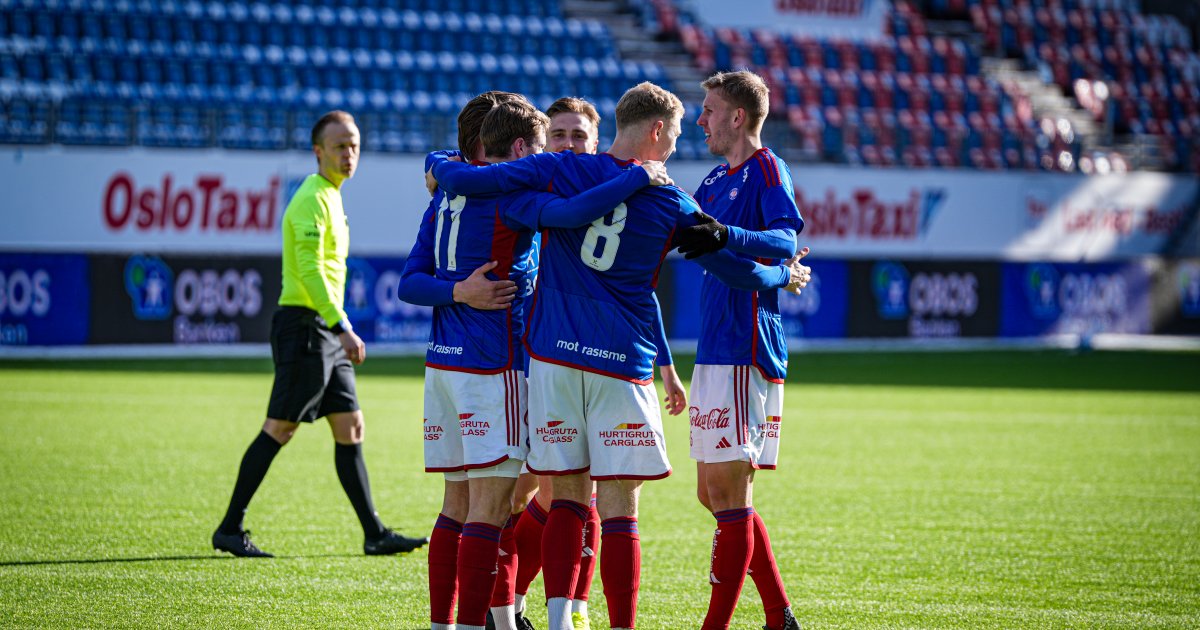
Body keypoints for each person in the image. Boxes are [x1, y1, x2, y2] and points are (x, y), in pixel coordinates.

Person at [427, 82, 809, 630]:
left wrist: (438, 163)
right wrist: (784, 274)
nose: (680, 142)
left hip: (553, 358)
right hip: (620, 364)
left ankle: (552, 618)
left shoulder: (563, 168)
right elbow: (735, 265)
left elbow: (477, 178)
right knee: (619, 507)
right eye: (676, 132)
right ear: (656, 130)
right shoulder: (673, 195)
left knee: (563, 496)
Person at [399, 95, 672, 630]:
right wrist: (638, 176)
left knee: (463, 505)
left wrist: (453, 288)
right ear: (521, 146)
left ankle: (483, 619)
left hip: (444, 366)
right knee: (496, 507)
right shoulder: (513, 197)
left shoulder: (446, 193)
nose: (558, 151)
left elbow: (410, 281)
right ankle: (512, 618)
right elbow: (569, 213)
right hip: (497, 361)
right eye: (550, 141)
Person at [211, 111, 427, 558]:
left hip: (324, 328)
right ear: (318, 151)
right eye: (339, 146)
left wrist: (337, 326)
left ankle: (374, 533)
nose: (349, 153)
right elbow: (309, 271)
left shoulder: (330, 196)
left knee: (350, 426)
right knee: (281, 428)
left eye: (354, 145)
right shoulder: (312, 197)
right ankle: (229, 528)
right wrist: (341, 325)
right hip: (306, 327)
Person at [672, 70, 807, 630]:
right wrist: (768, 273)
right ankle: (779, 616)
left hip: (746, 348)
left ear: (737, 116)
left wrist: (732, 239)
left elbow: (785, 240)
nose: (700, 119)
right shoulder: (709, 180)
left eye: (708, 110)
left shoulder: (768, 169)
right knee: (713, 493)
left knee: (730, 494)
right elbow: (700, 241)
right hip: (715, 349)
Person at [509, 96, 604, 630]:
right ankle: (513, 601)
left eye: (579, 136)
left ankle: (557, 606)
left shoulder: (612, 191)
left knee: (573, 490)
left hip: (588, 357)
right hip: (533, 355)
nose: (570, 145)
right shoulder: (533, 187)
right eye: (560, 135)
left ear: (596, 141)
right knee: (540, 491)